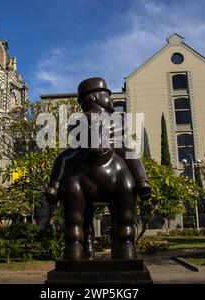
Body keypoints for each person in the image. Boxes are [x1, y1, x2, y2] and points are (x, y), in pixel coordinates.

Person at [44, 77, 151, 205]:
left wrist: (105, 132)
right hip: (82, 147)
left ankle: (141, 181)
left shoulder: (116, 117)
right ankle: (54, 186)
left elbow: (122, 128)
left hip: (112, 143)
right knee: (62, 157)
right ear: (94, 98)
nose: (111, 100)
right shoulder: (79, 119)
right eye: (107, 96)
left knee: (130, 154)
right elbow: (73, 131)